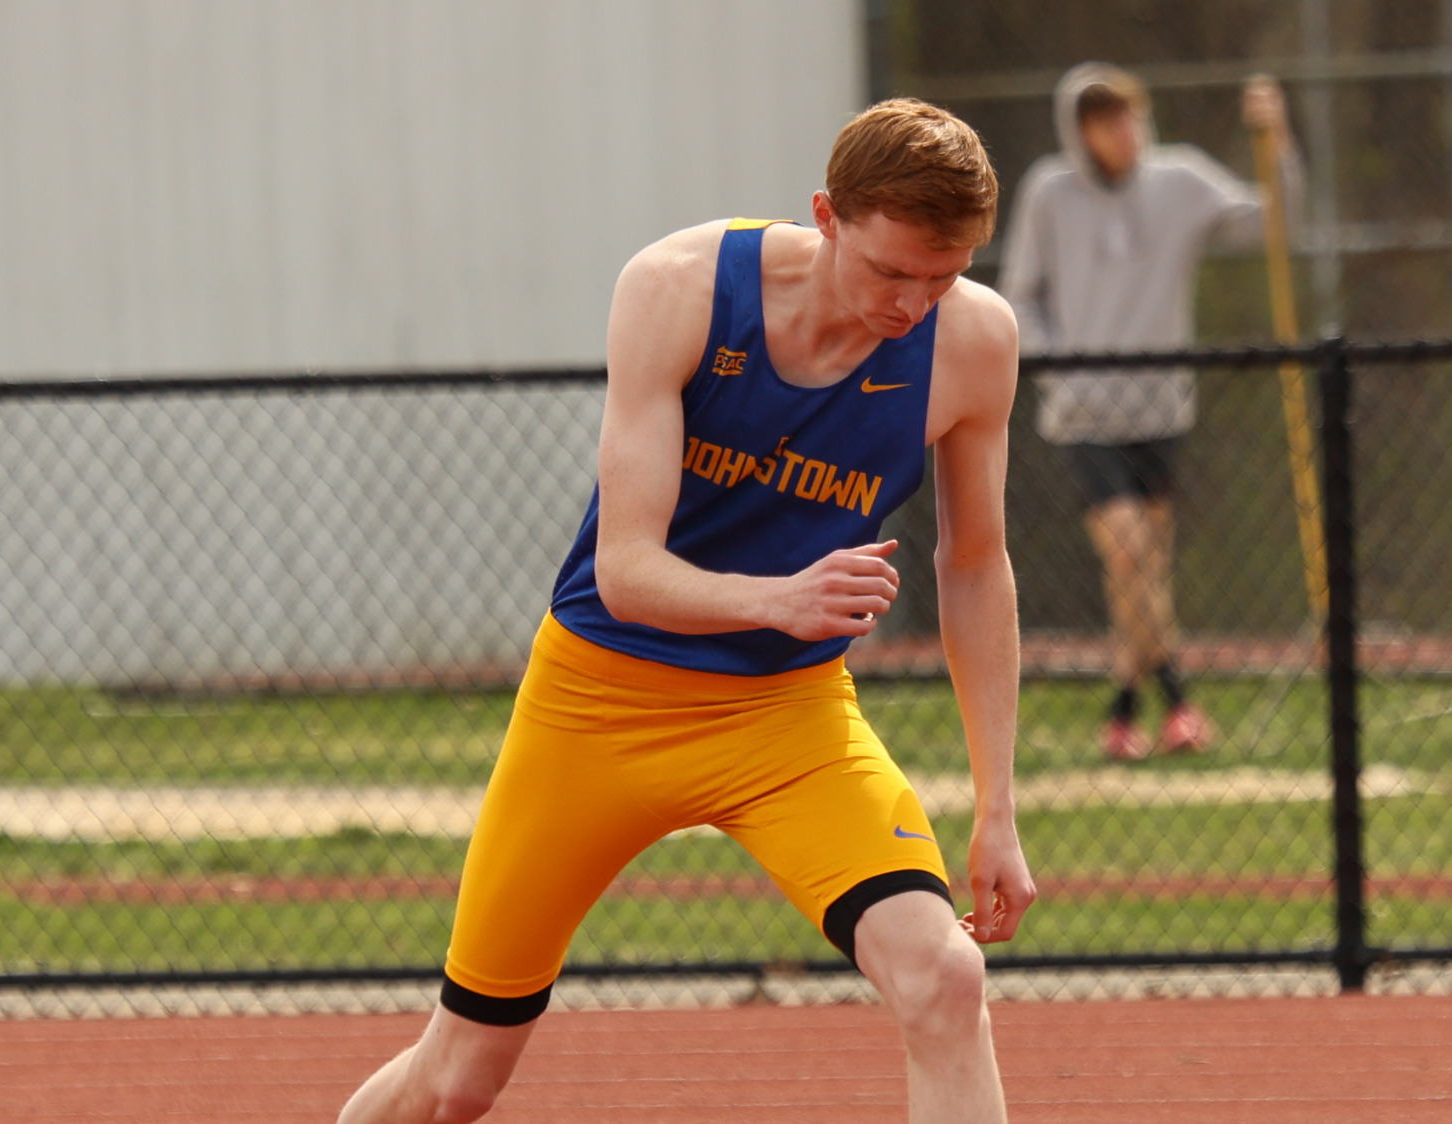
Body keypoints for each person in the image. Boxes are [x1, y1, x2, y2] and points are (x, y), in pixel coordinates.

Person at [338, 99, 1037, 1124]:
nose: (914, 302)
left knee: (946, 980)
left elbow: (974, 563)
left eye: (944, 274)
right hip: (598, 702)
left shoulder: (971, 341)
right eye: (891, 271)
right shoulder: (681, 288)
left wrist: (996, 804)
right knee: (455, 1079)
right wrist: (781, 598)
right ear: (826, 216)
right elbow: (625, 568)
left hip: (787, 716)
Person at [999, 63, 1302, 760]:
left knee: (1139, 572)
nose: (1120, 132)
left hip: (1162, 410)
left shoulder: (1182, 181)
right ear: (1079, 131)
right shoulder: (1050, 192)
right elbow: (1021, 294)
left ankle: (1126, 711)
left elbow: (1270, 223)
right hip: (1087, 415)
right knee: (1130, 550)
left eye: (1128, 115)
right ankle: (1179, 696)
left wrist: (1277, 138)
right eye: (1103, 120)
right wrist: (1058, 376)